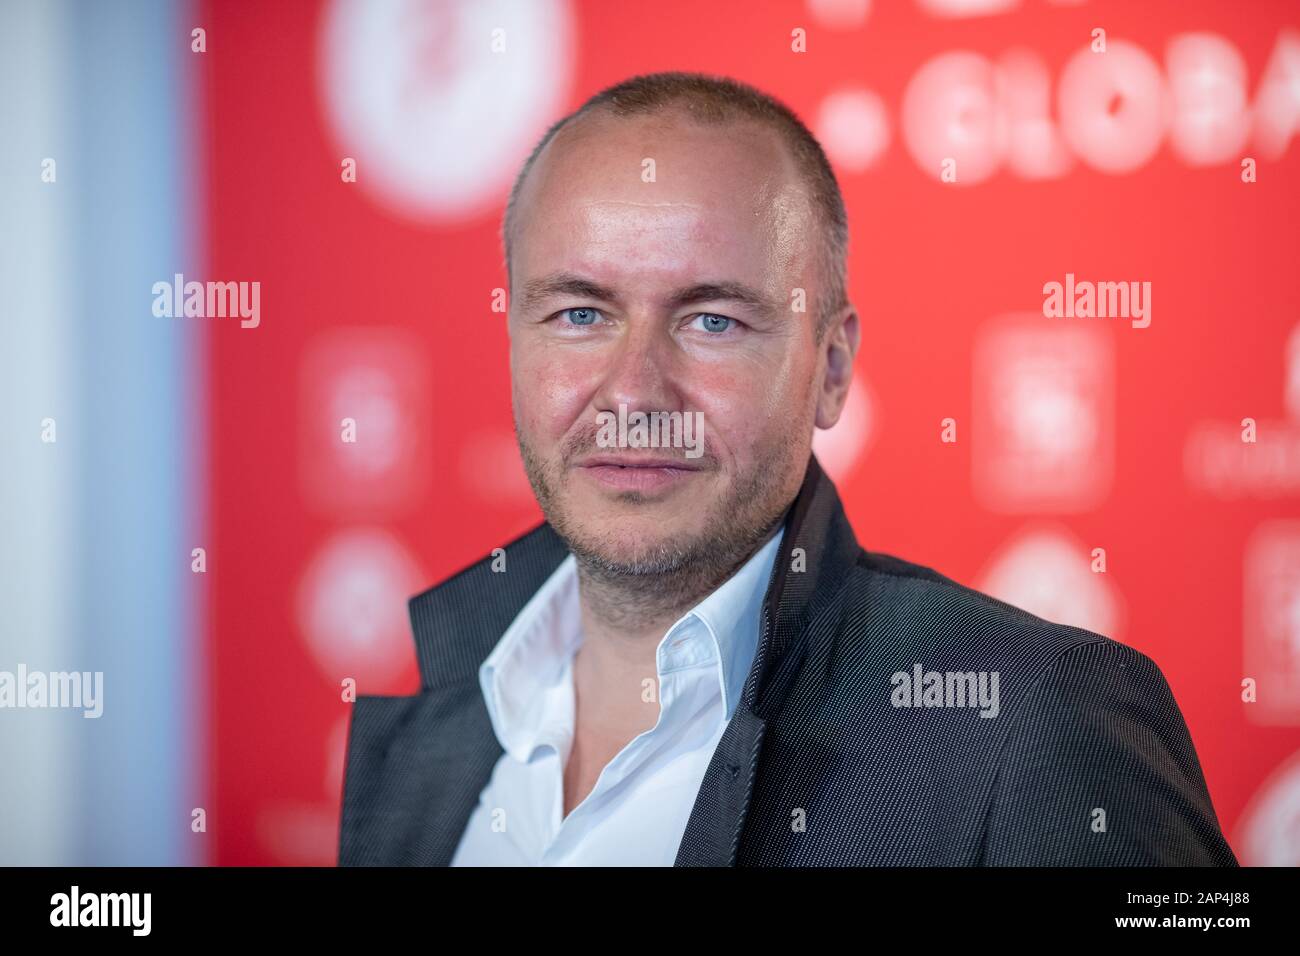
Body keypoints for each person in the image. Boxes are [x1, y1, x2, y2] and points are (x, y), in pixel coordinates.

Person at [338, 71, 1237, 866]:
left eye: (713, 321)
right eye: (579, 314)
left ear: (831, 368)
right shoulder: (440, 718)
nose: (636, 392)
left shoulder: (1035, 722)